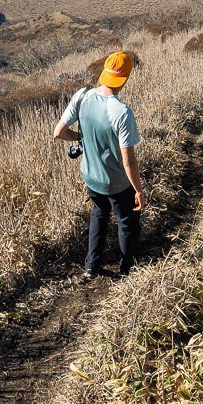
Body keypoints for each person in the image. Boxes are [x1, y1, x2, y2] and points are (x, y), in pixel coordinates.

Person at [54, 51, 145, 281]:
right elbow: (128, 160)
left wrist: (82, 138)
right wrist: (139, 190)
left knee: (99, 213)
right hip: (116, 183)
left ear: (105, 73)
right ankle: (126, 271)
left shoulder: (82, 95)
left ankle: (91, 266)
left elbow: (59, 132)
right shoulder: (122, 113)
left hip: (90, 177)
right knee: (127, 224)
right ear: (125, 78)